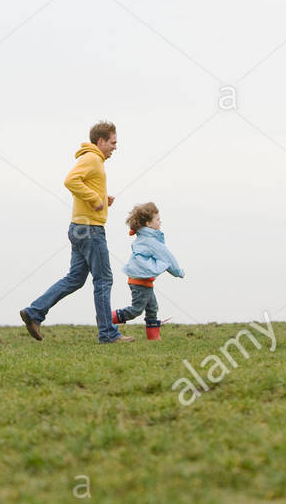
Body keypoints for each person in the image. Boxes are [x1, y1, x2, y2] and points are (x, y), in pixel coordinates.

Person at [20, 122, 132, 343]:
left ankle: (35, 312)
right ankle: (108, 334)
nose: (115, 147)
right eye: (113, 142)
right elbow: (70, 180)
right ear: (100, 141)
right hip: (90, 229)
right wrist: (94, 198)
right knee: (103, 280)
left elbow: (83, 184)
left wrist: (103, 198)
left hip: (79, 227)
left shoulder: (93, 160)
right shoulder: (92, 158)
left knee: (75, 278)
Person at [113, 202, 184, 340]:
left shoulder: (145, 238)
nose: (160, 222)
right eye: (157, 220)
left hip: (142, 280)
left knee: (152, 308)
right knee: (136, 309)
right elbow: (167, 257)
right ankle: (107, 319)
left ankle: (153, 338)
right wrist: (178, 272)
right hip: (140, 281)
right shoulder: (151, 241)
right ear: (148, 224)